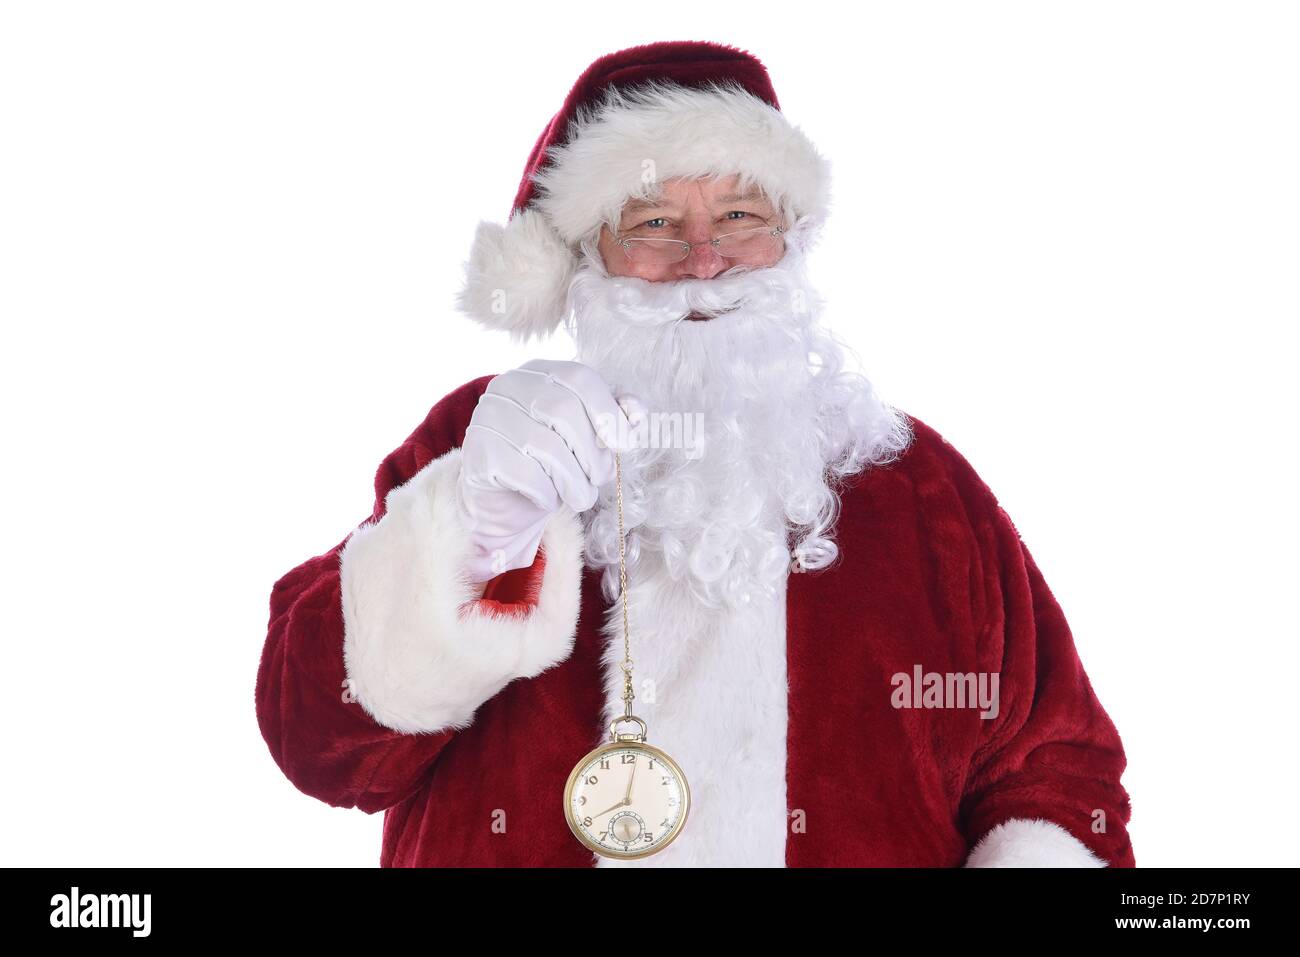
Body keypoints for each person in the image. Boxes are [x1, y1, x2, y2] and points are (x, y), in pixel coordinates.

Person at [254, 40, 1135, 868]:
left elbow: (1055, 770)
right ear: (586, 259)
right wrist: (465, 541)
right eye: (654, 221)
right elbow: (319, 748)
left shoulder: (916, 484)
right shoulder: (488, 441)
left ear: (791, 239)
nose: (705, 260)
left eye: (740, 214)